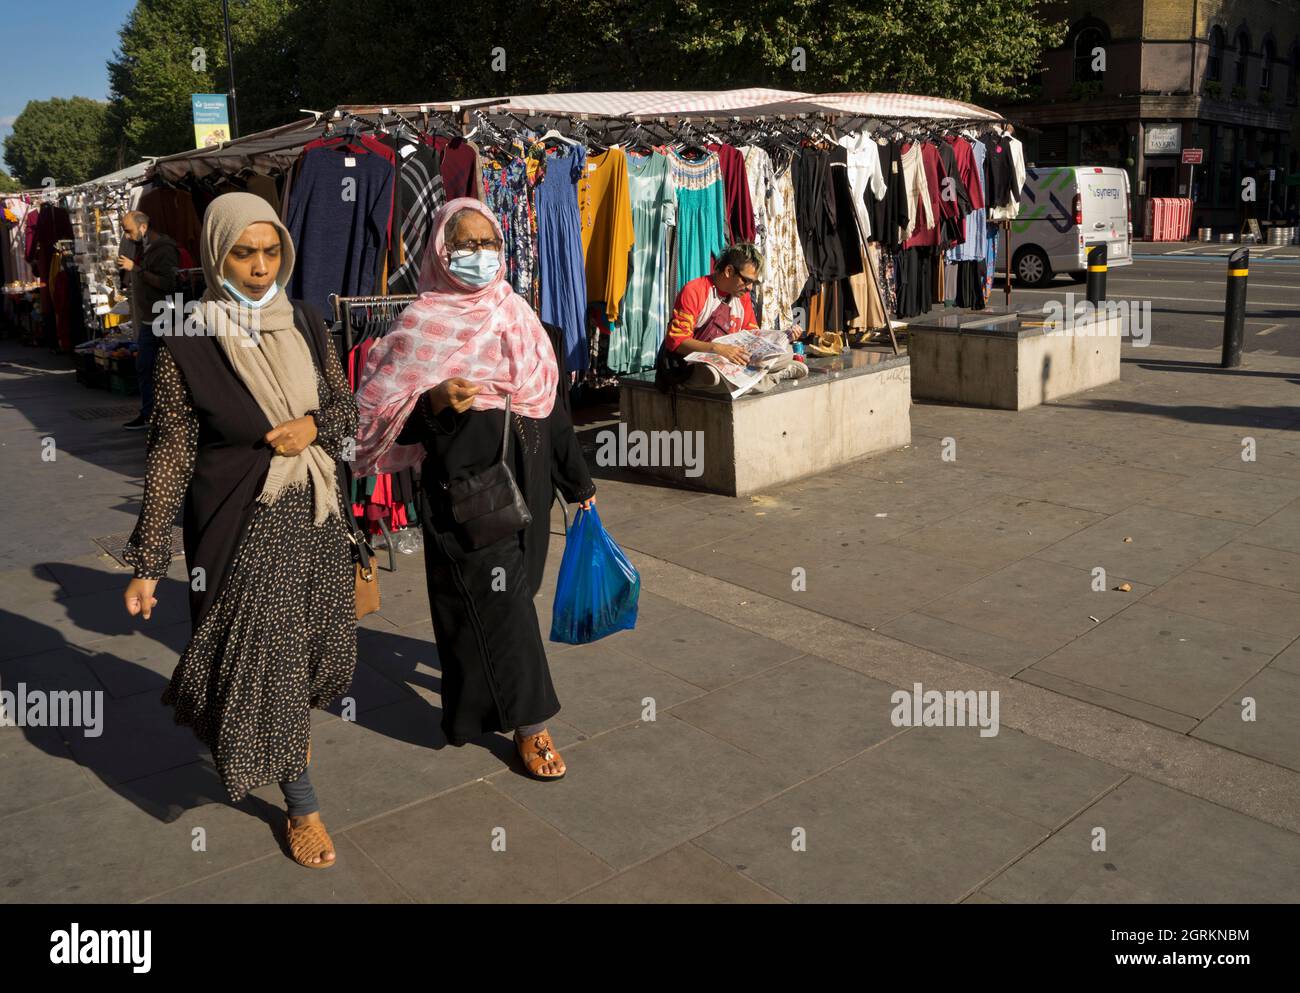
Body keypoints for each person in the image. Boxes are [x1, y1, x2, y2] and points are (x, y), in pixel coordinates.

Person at [122, 192, 358, 869]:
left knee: (312, 654)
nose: (259, 267)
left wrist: (315, 427)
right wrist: (148, 558)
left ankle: (282, 736)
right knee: (272, 665)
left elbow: (346, 406)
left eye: (271, 250)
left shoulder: (308, 322)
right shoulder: (189, 338)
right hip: (240, 522)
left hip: (314, 518)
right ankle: (302, 804)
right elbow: (171, 447)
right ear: (218, 254)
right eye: (243, 252)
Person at [351, 198, 595, 781]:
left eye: (489, 243)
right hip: (465, 489)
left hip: (528, 482)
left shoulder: (519, 316)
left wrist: (577, 483)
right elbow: (373, 420)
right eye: (466, 244)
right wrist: (432, 403)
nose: (479, 255)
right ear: (440, 250)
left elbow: (550, 407)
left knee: (507, 598)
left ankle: (471, 704)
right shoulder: (418, 324)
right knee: (504, 602)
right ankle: (532, 728)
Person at [118, 211, 179, 430]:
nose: (126, 236)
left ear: (143, 228)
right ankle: (150, 413)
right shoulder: (142, 248)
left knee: (156, 368)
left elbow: (169, 284)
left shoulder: (163, 249)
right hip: (150, 319)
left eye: (128, 230)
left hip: (163, 318)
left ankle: (160, 415)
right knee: (145, 367)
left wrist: (136, 269)